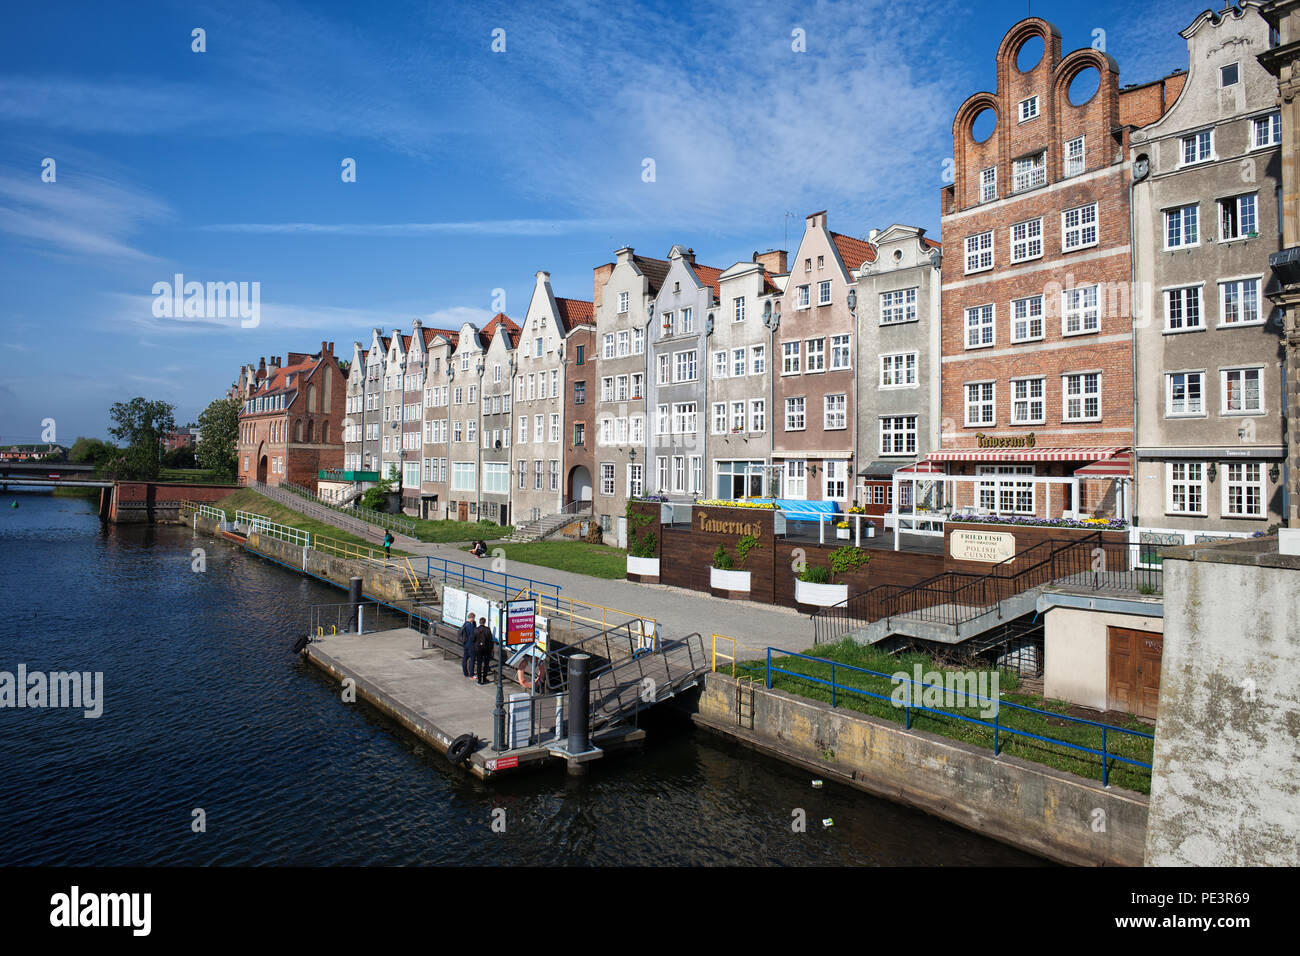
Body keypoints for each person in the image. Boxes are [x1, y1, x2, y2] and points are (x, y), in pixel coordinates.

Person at [474, 618, 495, 685]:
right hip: (486, 649)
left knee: (479, 664)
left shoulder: (476, 630)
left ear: (479, 622)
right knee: (486, 664)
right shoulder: (487, 630)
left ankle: (479, 680)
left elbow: (473, 639)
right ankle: (484, 679)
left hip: (478, 649)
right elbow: (490, 640)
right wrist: (491, 648)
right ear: (485, 622)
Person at [459, 613, 477, 678]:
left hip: (465, 644)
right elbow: (473, 635)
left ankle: (465, 672)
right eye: (474, 618)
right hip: (471, 644)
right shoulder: (470, 626)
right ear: (472, 618)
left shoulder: (465, 624)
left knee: (465, 658)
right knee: (472, 659)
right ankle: (471, 674)